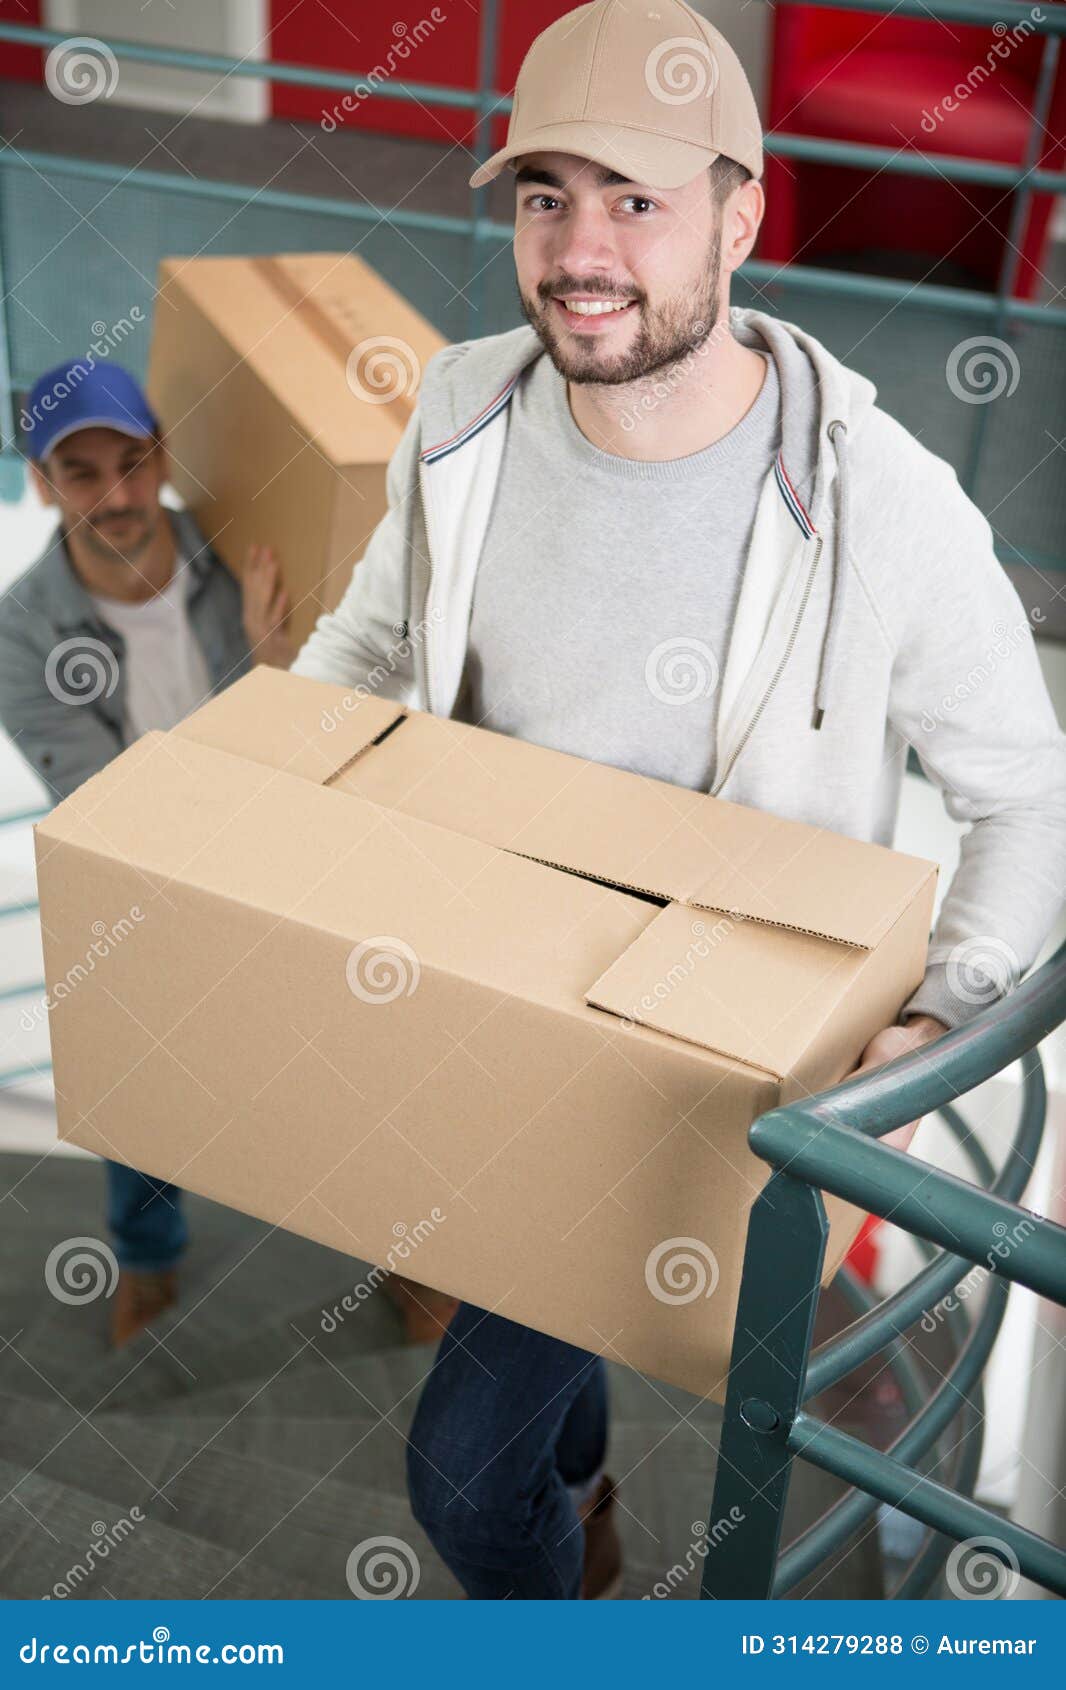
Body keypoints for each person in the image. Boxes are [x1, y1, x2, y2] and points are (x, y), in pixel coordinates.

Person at [289, 0, 1066, 1598]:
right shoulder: (459, 411)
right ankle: (591, 1520)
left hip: (720, 1081)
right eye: (544, 196)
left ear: (742, 212)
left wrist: (940, 1017)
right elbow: (368, 641)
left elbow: (1032, 792)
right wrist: (281, 807)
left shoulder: (880, 499)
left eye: (636, 202)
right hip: (489, 1016)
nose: (581, 252)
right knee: (557, 1347)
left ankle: (755, 1576)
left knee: (465, 1466)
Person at [0, 361, 292, 1345]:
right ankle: (149, 1258)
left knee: (340, 1063)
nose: (117, 495)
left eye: (133, 462)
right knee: (131, 1081)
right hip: (134, 889)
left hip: (280, 858)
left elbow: (337, 728)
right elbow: (110, 808)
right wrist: (266, 688)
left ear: (164, 454)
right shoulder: (20, 630)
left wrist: (279, 666)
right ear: (40, 481)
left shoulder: (242, 555)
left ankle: (401, 1250)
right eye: (81, 474)